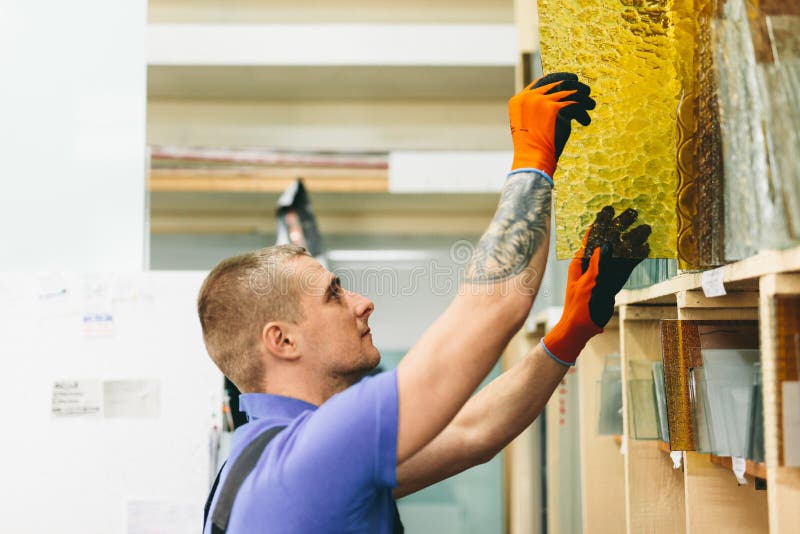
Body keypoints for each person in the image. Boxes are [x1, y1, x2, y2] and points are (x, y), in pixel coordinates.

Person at [198, 72, 649, 533]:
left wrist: (568, 335)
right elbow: (492, 304)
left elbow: (473, 431)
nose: (363, 303)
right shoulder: (311, 455)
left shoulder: (260, 462)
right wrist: (533, 160)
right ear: (282, 340)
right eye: (333, 294)